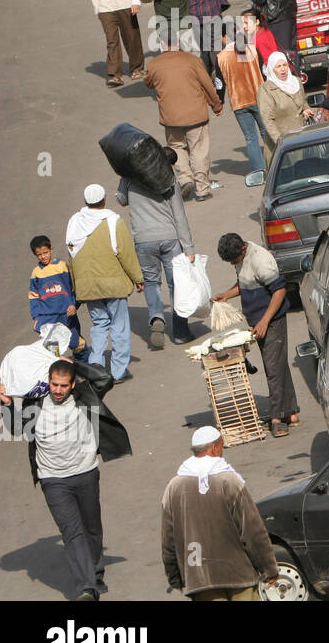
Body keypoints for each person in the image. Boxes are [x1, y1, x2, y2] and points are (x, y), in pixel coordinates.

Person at [20, 359, 131, 601]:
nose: (58, 390)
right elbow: (14, 426)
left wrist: (75, 364)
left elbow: (104, 378)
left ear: (72, 384)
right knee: (72, 532)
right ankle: (86, 588)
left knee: (91, 527)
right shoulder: (35, 403)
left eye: (63, 385)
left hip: (85, 473)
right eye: (54, 384)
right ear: (47, 382)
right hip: (53, 480)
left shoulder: (84, 395)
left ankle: (95, 572)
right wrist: (5, 402)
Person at [161, 426, 278, 601]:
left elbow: (168, 539)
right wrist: (268, 569)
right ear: (214, 447)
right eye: (221, 447)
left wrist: (176, 577)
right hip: (239, 576)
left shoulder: (174, 487)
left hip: (200, 578)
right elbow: (253, 531)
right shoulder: (230, 481)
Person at [212, 233, 298, 437]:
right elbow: (243, 283)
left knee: (272, 369)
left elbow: (279, 291)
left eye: (234, 260)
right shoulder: (241, 258)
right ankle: (290, 412)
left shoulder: (261, 260)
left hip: (271, 321)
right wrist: (226, 295)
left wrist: (264, 321)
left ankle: (277, 419)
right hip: (259, 322)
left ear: (243, 250)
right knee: (277, 364)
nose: (233, 263)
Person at [116, 147, 195, 349]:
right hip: (169, 237)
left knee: (151, 282)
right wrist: (189, 247)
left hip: (143, 240)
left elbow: (121, 199)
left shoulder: (131, 176)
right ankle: (180, 333)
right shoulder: (168, 178)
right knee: (176, 284)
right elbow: (179, 215)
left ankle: (156, 316)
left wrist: (124, 176)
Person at [65, 184, 143, 383]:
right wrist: (137, 278)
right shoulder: (113, 221)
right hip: (113, 284)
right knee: (119, 326)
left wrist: (76, 286)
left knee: (99, 324)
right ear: (104, 200)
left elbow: (71, 256)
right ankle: (118, 372)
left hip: (87, 287)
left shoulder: (74, 222)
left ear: (86, 202)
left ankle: (96, 366)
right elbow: (125, 254)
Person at [144, 23, 223, 202]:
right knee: (199, 150)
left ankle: (184, 178)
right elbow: (207, 85)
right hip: (196, 115)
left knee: (177, 148)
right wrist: (216, 105)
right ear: (179, 41)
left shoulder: (154, 64)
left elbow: (148, 82)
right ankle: (202, 189)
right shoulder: (192, 61)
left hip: (171, 117)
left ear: (162, 44)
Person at [217, 15, 269, 185]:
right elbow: (264, 72)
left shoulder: (221, 57)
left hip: (239, 102)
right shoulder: (252, 49)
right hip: (259, 97)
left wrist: (218, 104)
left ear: (225, 37)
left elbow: (219, 84)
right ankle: (276, 166)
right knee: (266, 133)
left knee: (250, 138)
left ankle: (258, 172)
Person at [189, 0, 231, 103]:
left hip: (195, 18)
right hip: (212, 14)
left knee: (204, 50)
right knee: (217, 49)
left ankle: (206, 78)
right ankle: (222, 78)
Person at [257, 50, 314, 168]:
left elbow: (303, 103)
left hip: (302, 140)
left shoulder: (296, 81)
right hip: (281, 147)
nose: (283, 69)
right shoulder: (266, 89)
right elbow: (267, 120)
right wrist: (281, 142)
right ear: (272, 69)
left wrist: (306, 109)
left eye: (285, 65)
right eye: (278, 66)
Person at [29, 235, 82, 352]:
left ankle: (83, 365)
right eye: (39, 254)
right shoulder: (36, 273)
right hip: (49, 318)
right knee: (53, 349)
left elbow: (74, 288)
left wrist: (74, 305)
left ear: (51, 250)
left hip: (67, 313)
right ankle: (56, 367)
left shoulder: (62, 266)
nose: (43, 256)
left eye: (45, 252)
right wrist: (36, 316)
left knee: (77, 344)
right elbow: (34, 297)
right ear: (35, 255)